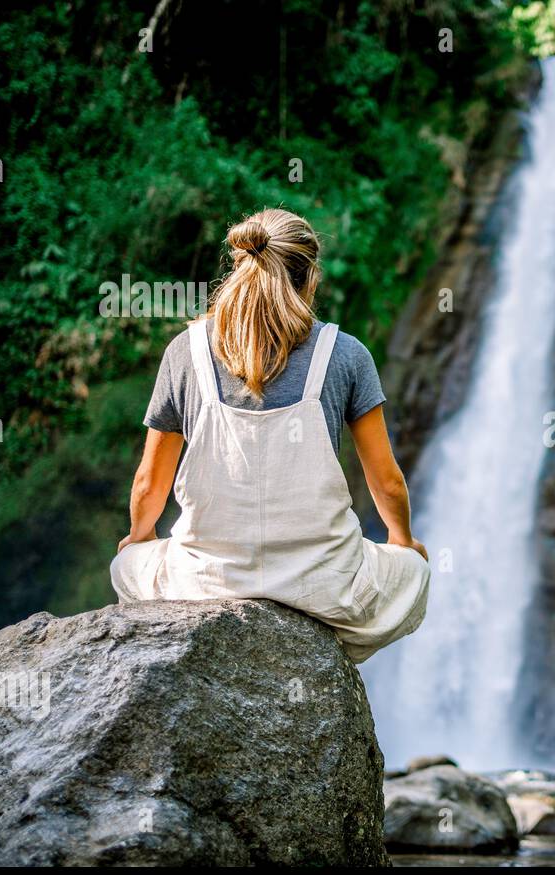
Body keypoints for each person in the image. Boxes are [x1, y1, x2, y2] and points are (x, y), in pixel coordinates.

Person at [110, 208, 429, 663]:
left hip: (205, 585)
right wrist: (403, 540)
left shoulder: (185, 352)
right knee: (414, 571)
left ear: (239, 265)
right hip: (323, 585)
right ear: (310, 278)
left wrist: (138, 536)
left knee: (126, 566)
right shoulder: (347, 355)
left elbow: (148, 484)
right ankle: (320, 653)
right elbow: (387, 481)